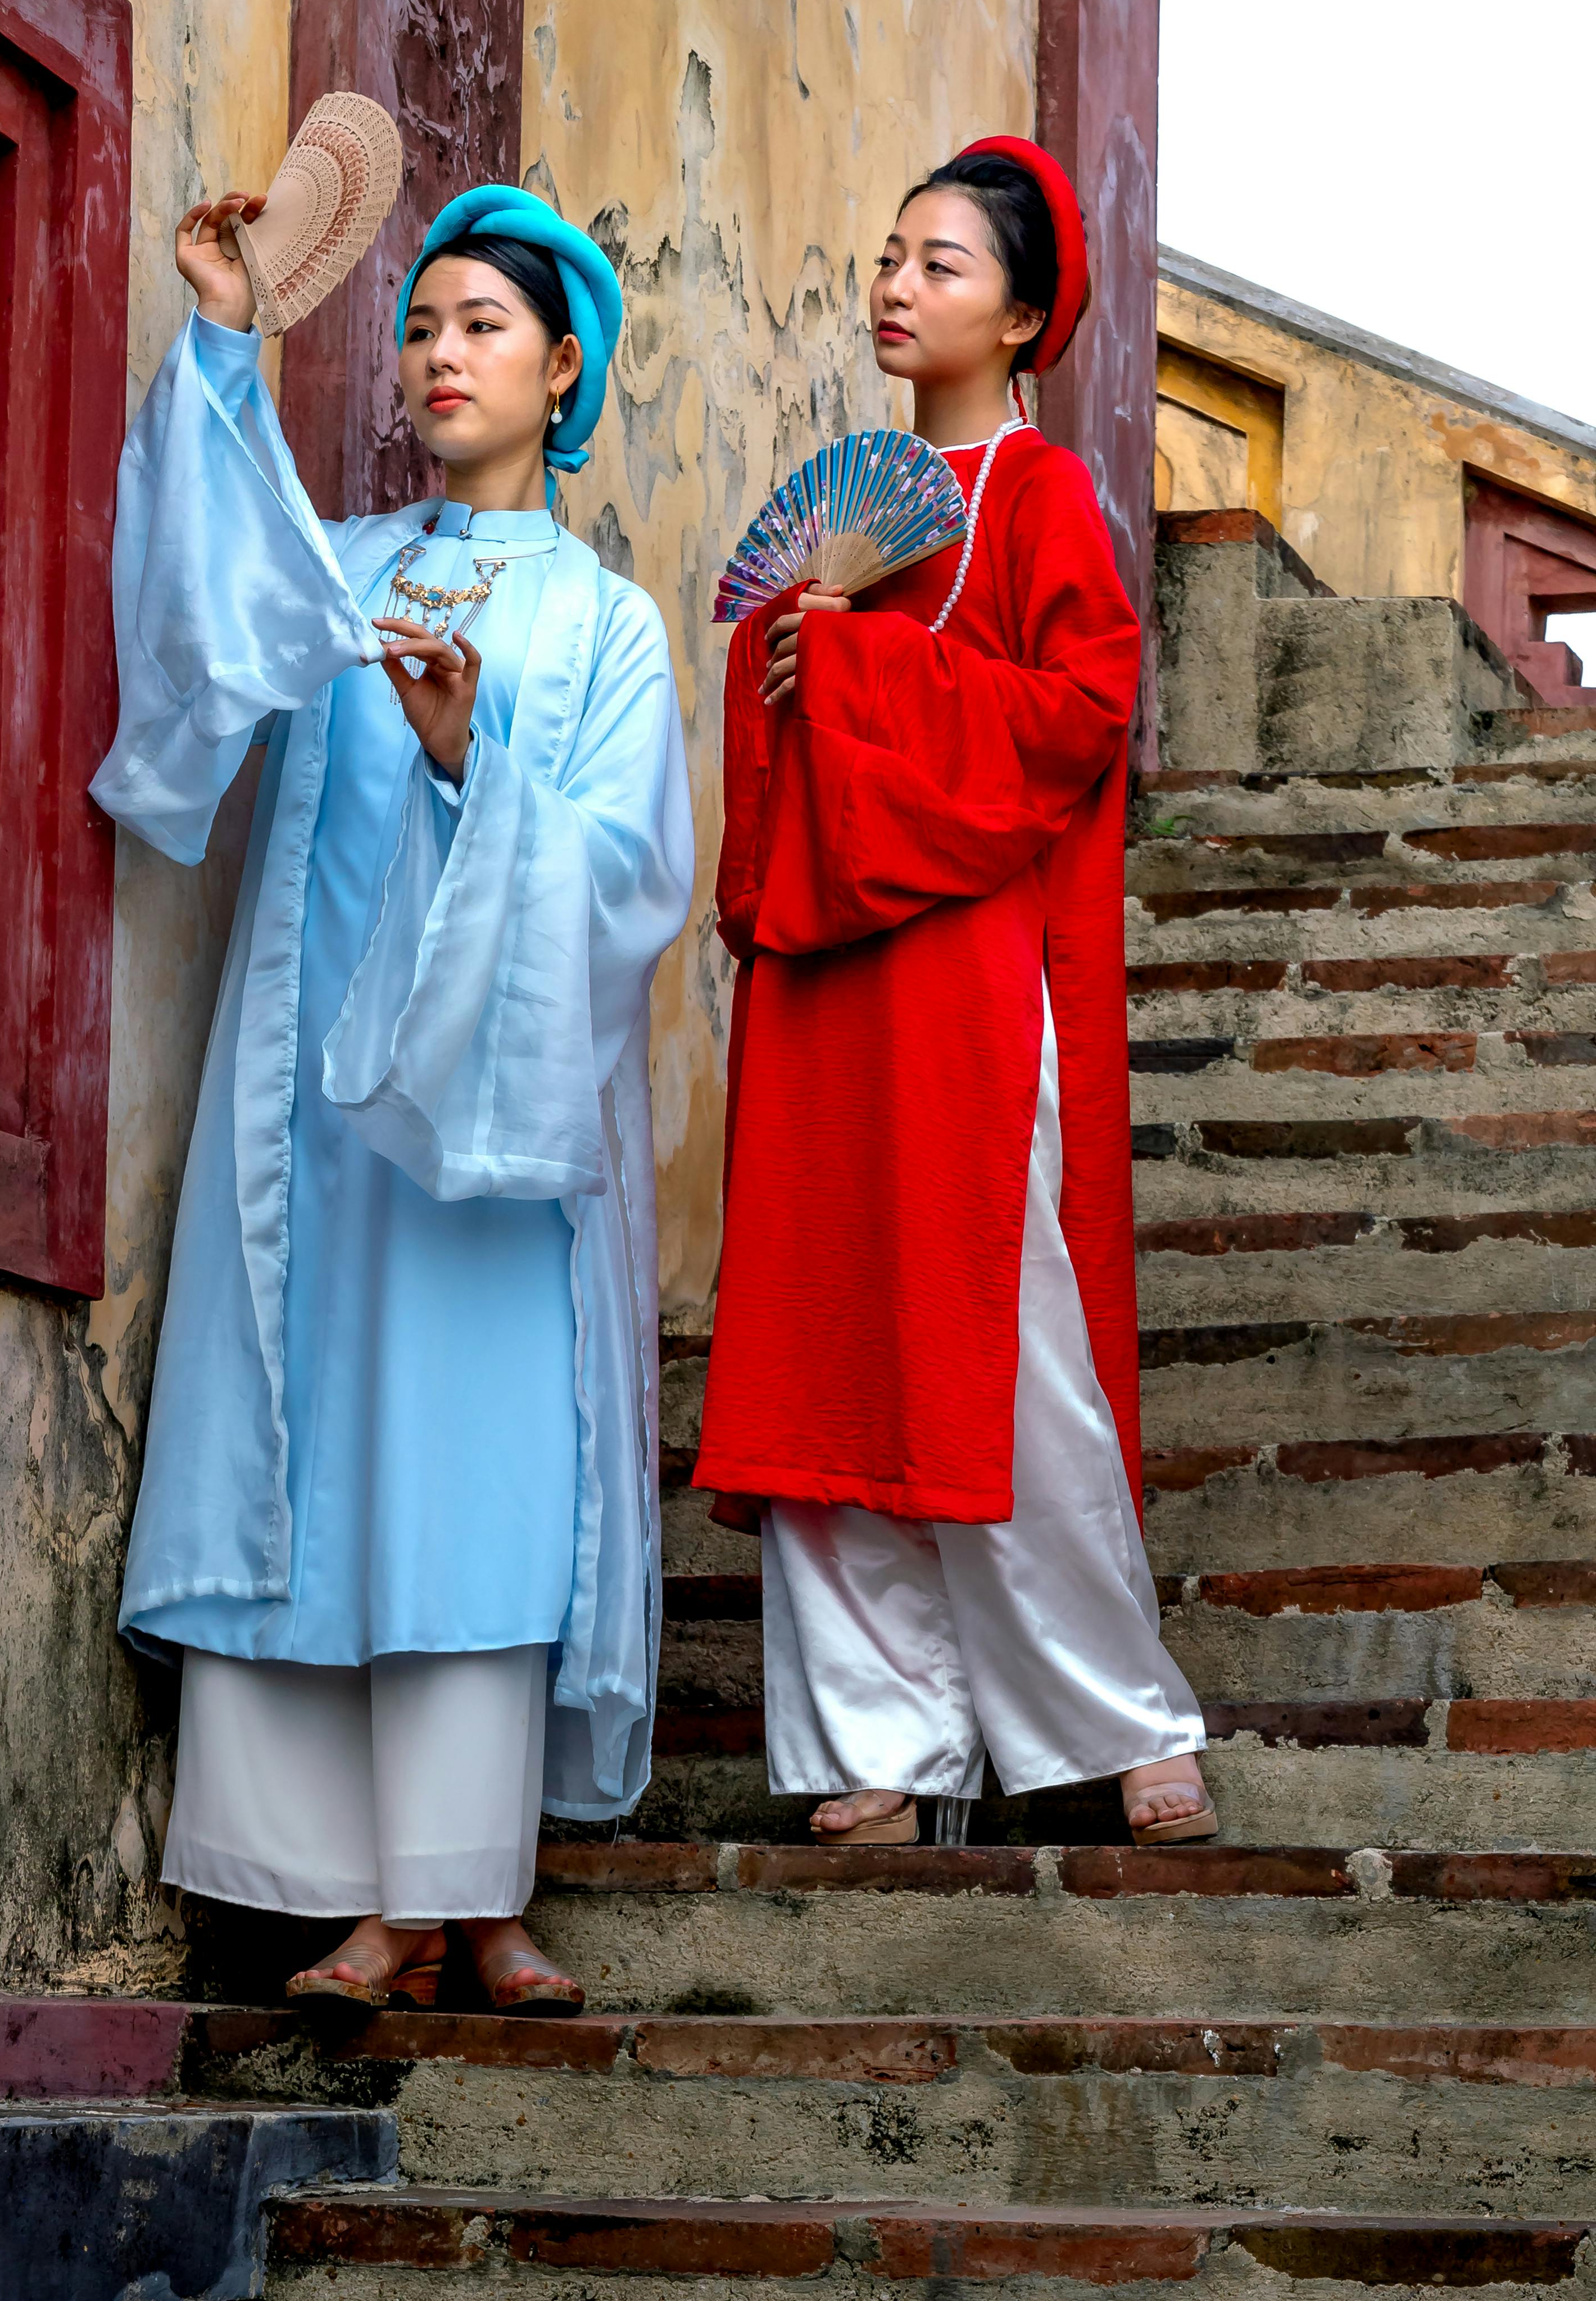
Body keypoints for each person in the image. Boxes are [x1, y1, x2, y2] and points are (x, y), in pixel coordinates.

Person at [92, 179, 692, 2005]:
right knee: (315, 1447)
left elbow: (629, 877)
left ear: (563, 367)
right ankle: (339, 1888)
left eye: (482, 326)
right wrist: (218, 338)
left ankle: (471, 1892)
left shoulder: (609, 627)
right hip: (310, 1112)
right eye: (423, 325)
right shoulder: (339, 564)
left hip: (490, 1126)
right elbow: (204, 594)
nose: (440, 354)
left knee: (478, 1472)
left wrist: (468, 759)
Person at [693, 135, 1213, 1849]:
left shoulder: (1043, 499)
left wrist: (865, 658)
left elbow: (1076, 720)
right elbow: (774, 763)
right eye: (890, 256)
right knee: (833, 1349)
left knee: (1007, 1349)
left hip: (978, 976)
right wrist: (795, 657)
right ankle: (885, 1744)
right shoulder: (842, 513)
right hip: (831, 978)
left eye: (942, 264)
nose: (896, 287)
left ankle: (1118, 1710)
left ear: (1026, 318)